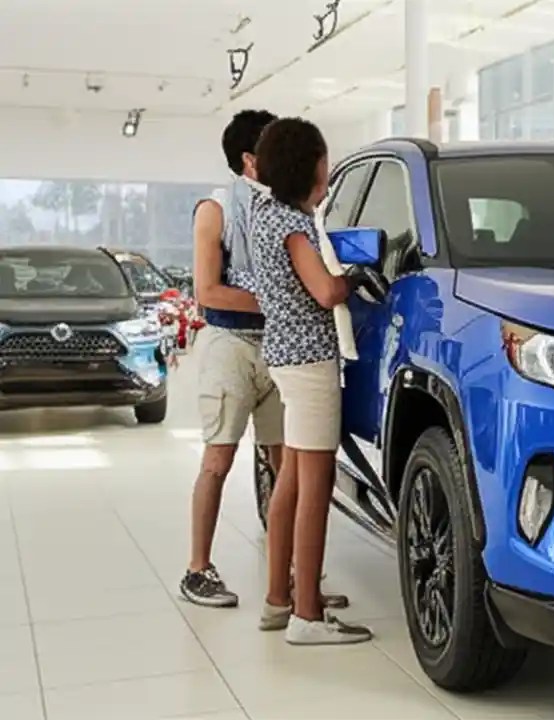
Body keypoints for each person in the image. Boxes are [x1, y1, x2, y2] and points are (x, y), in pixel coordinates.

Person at [251, 117, 383, 644]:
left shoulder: (264, 214)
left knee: (289, 481)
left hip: (284, 357)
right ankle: (307, 615)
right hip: (309, 365)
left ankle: (280, 598)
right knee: (315, 486)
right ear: (308, 165)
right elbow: (324, 292)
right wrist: (357, 276)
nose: (328, 168)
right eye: (324, 159)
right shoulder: (293, 223)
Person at [181, 109, 284, 608]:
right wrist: (279, 300)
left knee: (286, 465)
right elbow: (208, 292)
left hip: (283, 349)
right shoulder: (216, 209)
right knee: (218, 461)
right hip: (231, 346)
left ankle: (292, 576)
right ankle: (197, 570)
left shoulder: (287, 209)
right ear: (250, 159)